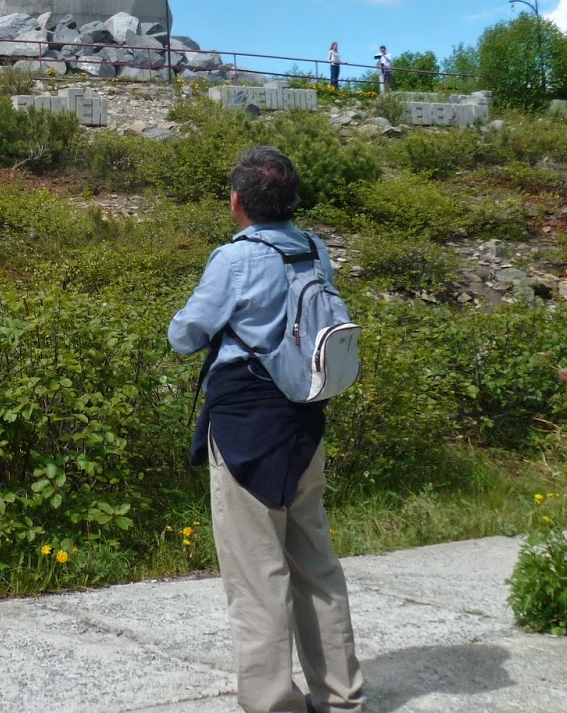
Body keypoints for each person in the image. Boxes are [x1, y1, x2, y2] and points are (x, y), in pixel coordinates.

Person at [168, 147, 366, 713]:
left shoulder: (234, 259)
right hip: (305, 414)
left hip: (246, 424)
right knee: (315, 561)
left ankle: (273, 703)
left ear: (237, 203)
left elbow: (186, 335)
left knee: (257, 573)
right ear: (291, 201)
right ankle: (342, 698)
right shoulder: (314, 248)